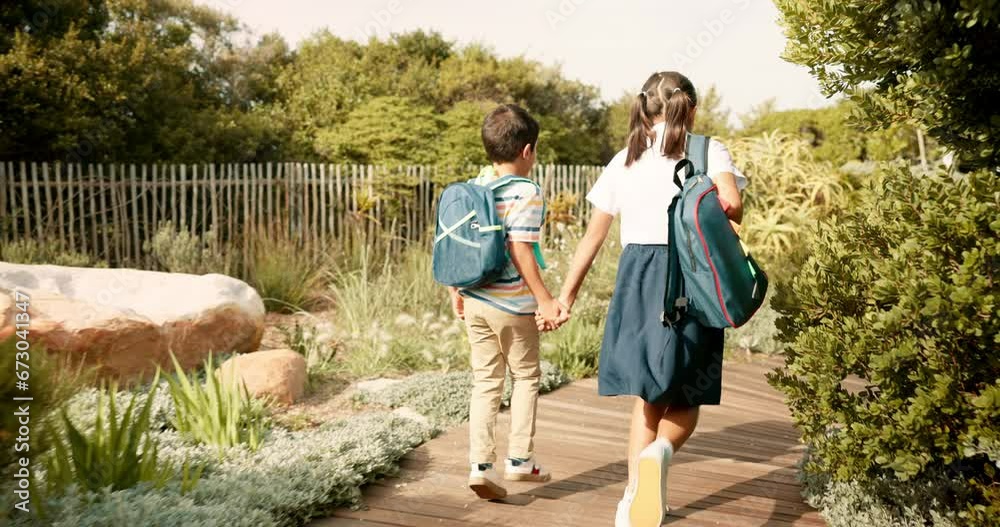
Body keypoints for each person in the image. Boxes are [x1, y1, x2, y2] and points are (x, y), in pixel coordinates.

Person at [537, 71, 747, 527]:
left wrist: (564, 297)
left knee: (649, 395)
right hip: (692, 276)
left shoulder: (624, 158)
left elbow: (594, 234)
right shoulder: (709, 149)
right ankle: (662, 453)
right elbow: (732, 206)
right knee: (688, 394)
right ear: (689, 107)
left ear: (644, 107)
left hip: (639, 276)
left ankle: (633, 501)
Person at [450, 103, 568, 500]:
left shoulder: (476, 187)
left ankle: (480, 466)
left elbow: (459, 245)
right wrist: (546, 300)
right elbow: (520, 248)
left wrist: (456, 291)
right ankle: (519, 460)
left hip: (474, 299)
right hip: (513, 306)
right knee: (526, 377)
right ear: (528, 151)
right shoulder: (527, 192)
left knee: (485, 382)